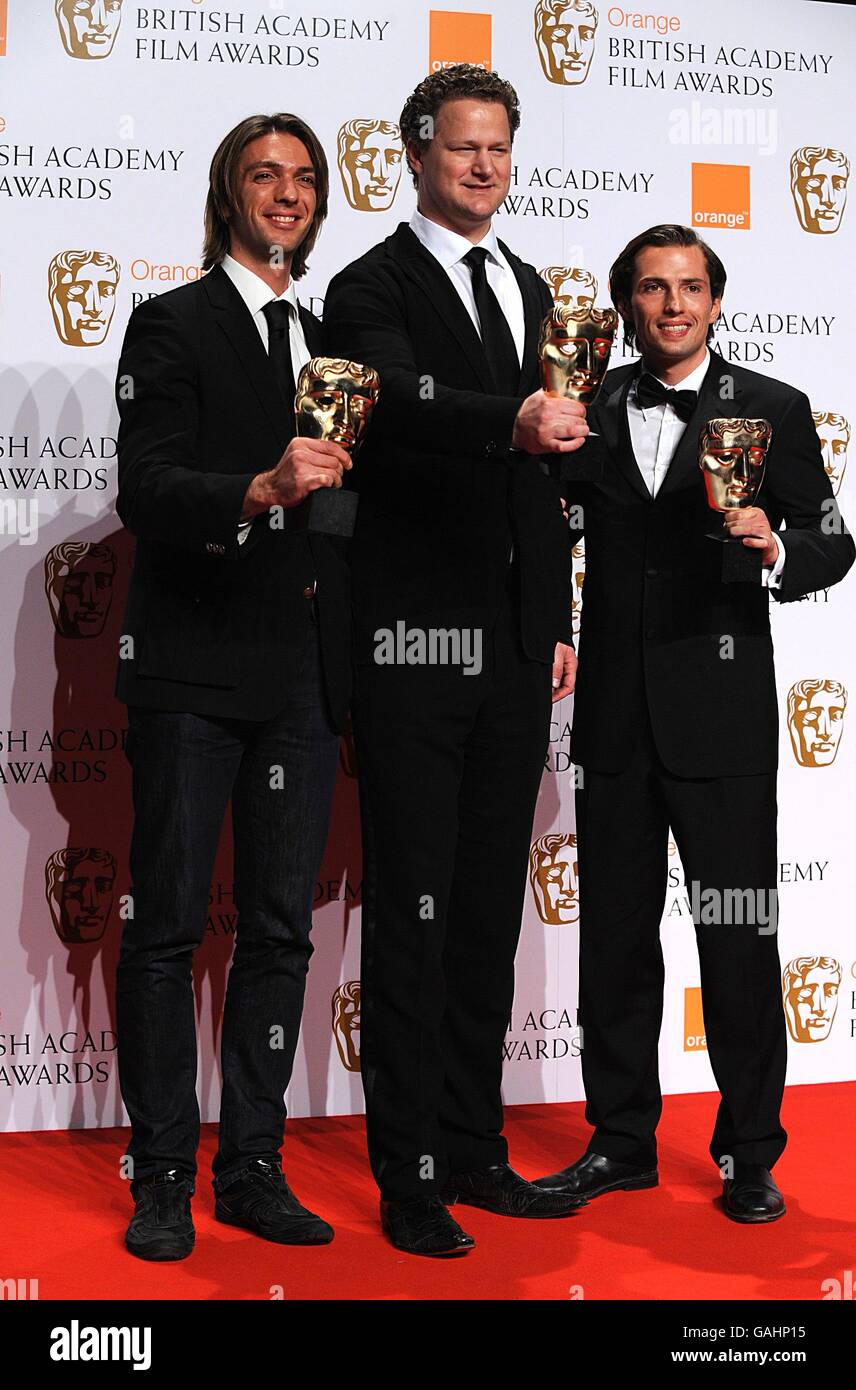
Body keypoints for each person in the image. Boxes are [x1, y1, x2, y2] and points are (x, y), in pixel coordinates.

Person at [534, 224, 855, 1223]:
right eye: (650, 288)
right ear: (627, 306)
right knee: (615, 944)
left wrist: (775, 545)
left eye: (687, 287)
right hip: (614, 725)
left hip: (718, 719)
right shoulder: (582, 409)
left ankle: (749, 1153)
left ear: (715, 301)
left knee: (737, 937)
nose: (670, 304)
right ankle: (620, 1139)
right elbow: (545, 533)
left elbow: (833, 542)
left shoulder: (770, 407)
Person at [323, 64, 590, 1256]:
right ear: (415, 153)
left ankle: (474, 1145)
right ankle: (410, 1169)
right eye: (462, 148)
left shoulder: (528, 284)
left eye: (498, 149)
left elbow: (548, 468)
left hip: (515, 644)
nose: (483, 167)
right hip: (410, 641)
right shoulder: (367, 283)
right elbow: (388, 401)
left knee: (485, 906)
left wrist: (560, 614)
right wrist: (511, 417)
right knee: (417, 909)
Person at [114, 113, 353, 1260]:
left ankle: (250, 1164)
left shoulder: (334, 338)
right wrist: (258, 488)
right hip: (189, 666)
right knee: (163, 928)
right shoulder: (172, 323)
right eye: (266, 174)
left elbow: (353, 514)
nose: (288, 192)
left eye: (305, 177)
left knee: (277, 932)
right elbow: (146, 491)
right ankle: (160, 1169)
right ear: (228, 193)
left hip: (301, 677)